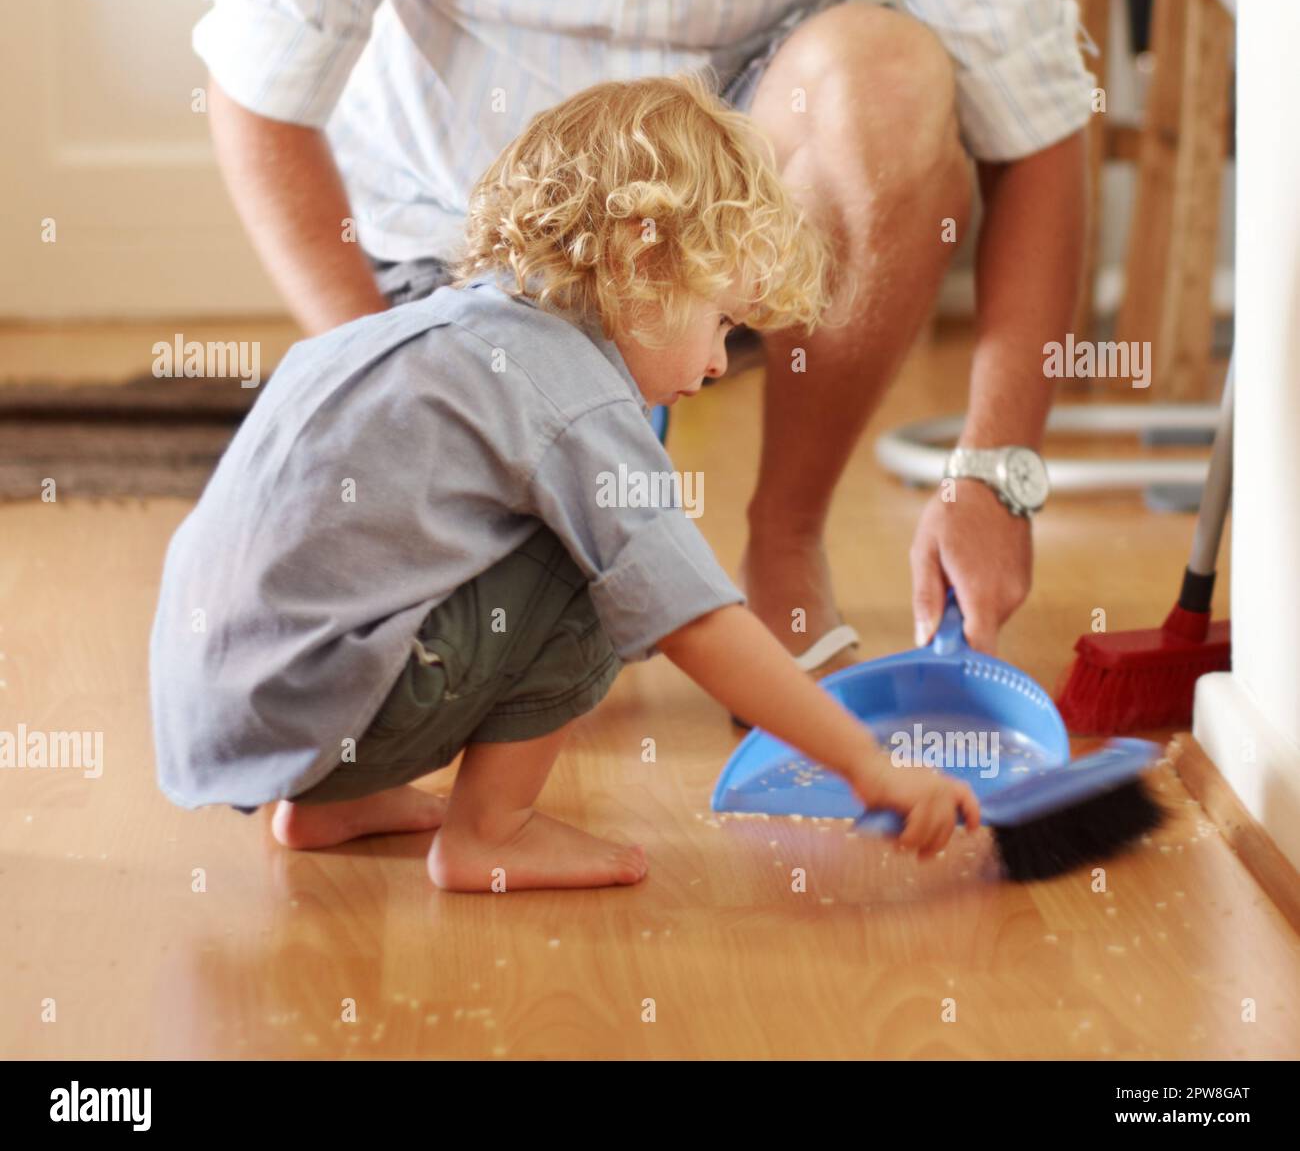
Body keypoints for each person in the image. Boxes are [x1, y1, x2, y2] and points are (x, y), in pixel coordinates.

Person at [149, 74, 980, 891]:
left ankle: (330, 803)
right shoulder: (567, 391)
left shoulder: (450, 326)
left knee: (516, 537)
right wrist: (869, 765)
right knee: (599, 559)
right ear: (641, 258)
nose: (724, 361)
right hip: (304, 700)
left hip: (229, 709)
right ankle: (489, 832)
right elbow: (697, 619)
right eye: (721, 319)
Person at [194, 0, 1093, 667]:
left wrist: (995, 473)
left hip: (721, 249)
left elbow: (1034, 127)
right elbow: (259, 89)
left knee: (886, 76)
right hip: (451, 246)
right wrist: (387, 403)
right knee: (502, 644)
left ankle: (785, 537)